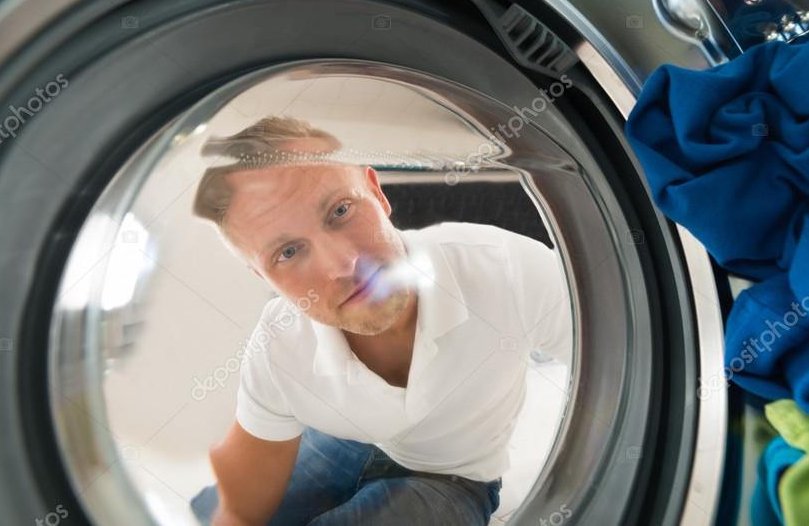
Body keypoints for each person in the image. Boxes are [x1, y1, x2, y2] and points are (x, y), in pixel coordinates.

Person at [188, 116, 572, 526]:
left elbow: (639, 366)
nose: (343, 265)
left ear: (376, 192)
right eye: (288, 252)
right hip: (343, 443)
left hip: (454, 476)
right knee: (209, 511)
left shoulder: (508, 269)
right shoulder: (278, 344)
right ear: (264, 278)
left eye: (340, 211)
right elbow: (240, 512)